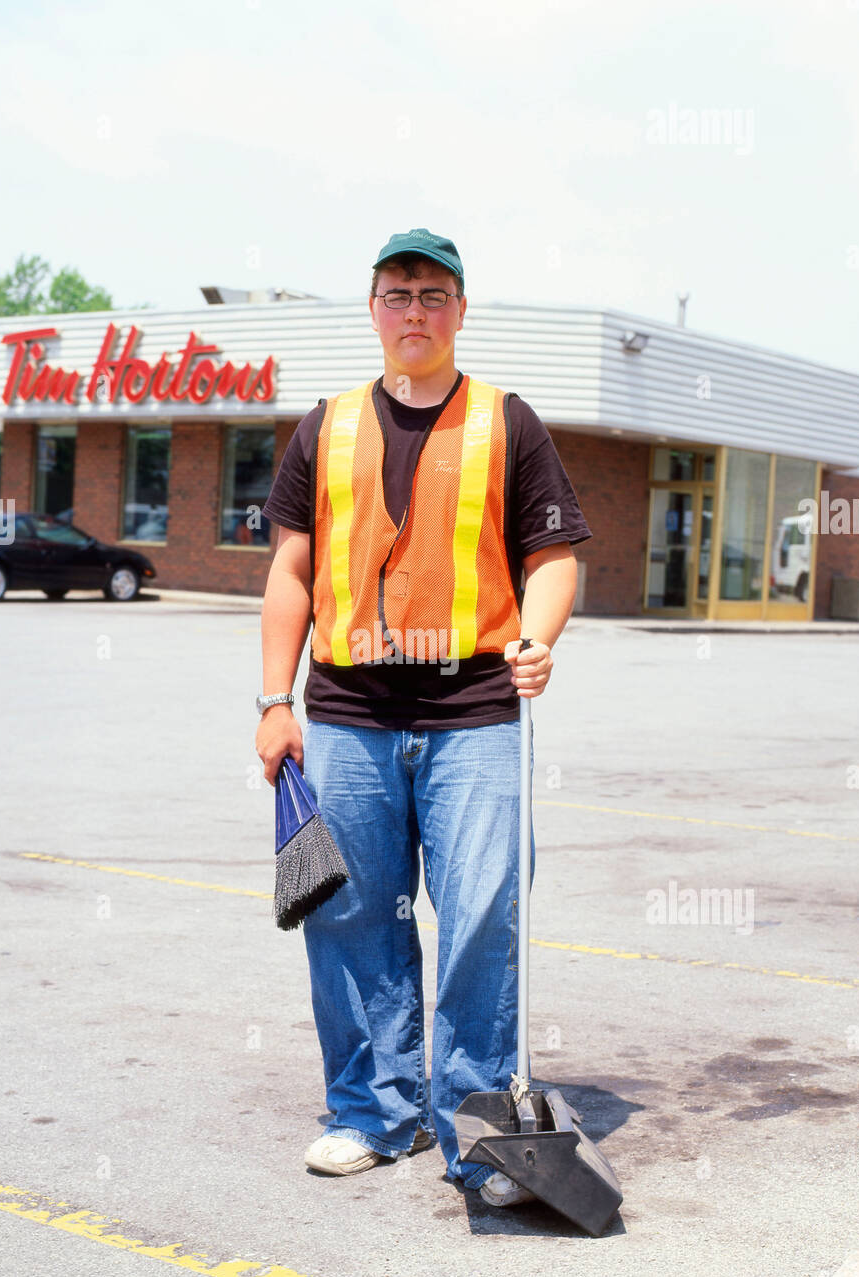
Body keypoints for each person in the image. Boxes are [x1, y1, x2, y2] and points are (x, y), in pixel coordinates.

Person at [254, 228, 591, 1207]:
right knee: (350, 916)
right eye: (397, 294)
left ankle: (481, 1135)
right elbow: (289, 572)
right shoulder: (325, 427)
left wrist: (538, 635)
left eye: (433, 295)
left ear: (458, 310)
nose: (414, 311)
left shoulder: (506, 422)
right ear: (372, 309)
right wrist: (275, 700)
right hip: (349, 712)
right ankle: (368, 1111)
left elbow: (554, 555)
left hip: (478, 709)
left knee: (485, 913)